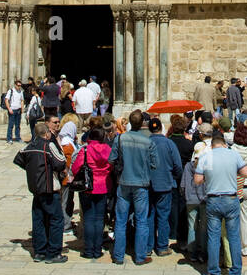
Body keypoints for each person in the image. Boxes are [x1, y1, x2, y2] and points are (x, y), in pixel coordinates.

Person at [194, 129, 247, 275]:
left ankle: (213, 272)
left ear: (212, 144)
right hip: (231, 198)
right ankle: (236, 273)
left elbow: (197, 180)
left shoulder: (206, 156)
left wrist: (208, 177)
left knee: (213, 236)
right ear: (224, 143)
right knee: (234, 237)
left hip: (214, 199)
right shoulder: (233, 154)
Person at [14, 120, 67, 264]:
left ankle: (39, 252)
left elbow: (19, 159)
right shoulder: (48, 145)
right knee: (56, 220)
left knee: (38, 220)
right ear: (46, 133)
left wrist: (33, 170)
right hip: (49, 188)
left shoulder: (29, 146)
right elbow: (61, 162)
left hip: (36, 188)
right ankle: (54, 253)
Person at [110, 110, 156, 265]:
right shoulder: (148, 141)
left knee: (121, 220)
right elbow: (155, 164)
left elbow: (112, 159)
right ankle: (140, 256)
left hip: (123, 182)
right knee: (141, 220)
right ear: (143, 122)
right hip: (141, 184)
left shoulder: (121, 138)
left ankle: (118, 256)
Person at [71, 126, 112, 259]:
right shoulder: (108, 150)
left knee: (89, 218)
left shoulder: (85, 150)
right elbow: (112, 165)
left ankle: (89, 250)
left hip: (88, 187)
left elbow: (76, 167)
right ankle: (97, 249)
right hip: (103, 186)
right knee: (99, 219)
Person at [147, 117, 183, 257]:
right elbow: (178, 166)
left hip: (149, 184)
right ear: (161, 129)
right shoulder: (169, 144)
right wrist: (173, 177)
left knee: (149, 215)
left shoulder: (146, 143)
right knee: (163, 216)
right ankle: (162, 246)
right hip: (165, 184)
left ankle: (148, 246)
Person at [230, 124, 247, 257]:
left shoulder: (232, 151)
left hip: (236, 185)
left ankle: (235, 244)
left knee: (234, 217)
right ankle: (246, 246)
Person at [183, 142, 210, 262]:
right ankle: (203, 252)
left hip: (191, 199)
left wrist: (186, 195)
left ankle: (193, 252)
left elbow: (183, 185)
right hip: (204, 199)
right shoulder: (207, 166)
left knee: (192, 226)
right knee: (203, 227)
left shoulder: (188, 166)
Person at [4, 79, 25, 143]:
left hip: (18, 110)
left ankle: (18, 137)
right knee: (11, 125)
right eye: (18, 85)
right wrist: (9, 108)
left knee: (18, 125)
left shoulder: (21, 91)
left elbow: (22, 100)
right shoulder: (11, 91)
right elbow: (6, 100)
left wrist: (22, 108)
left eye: (20, 85)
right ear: (15, 85)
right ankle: (9, 138)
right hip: (12, 109)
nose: (19, 87)